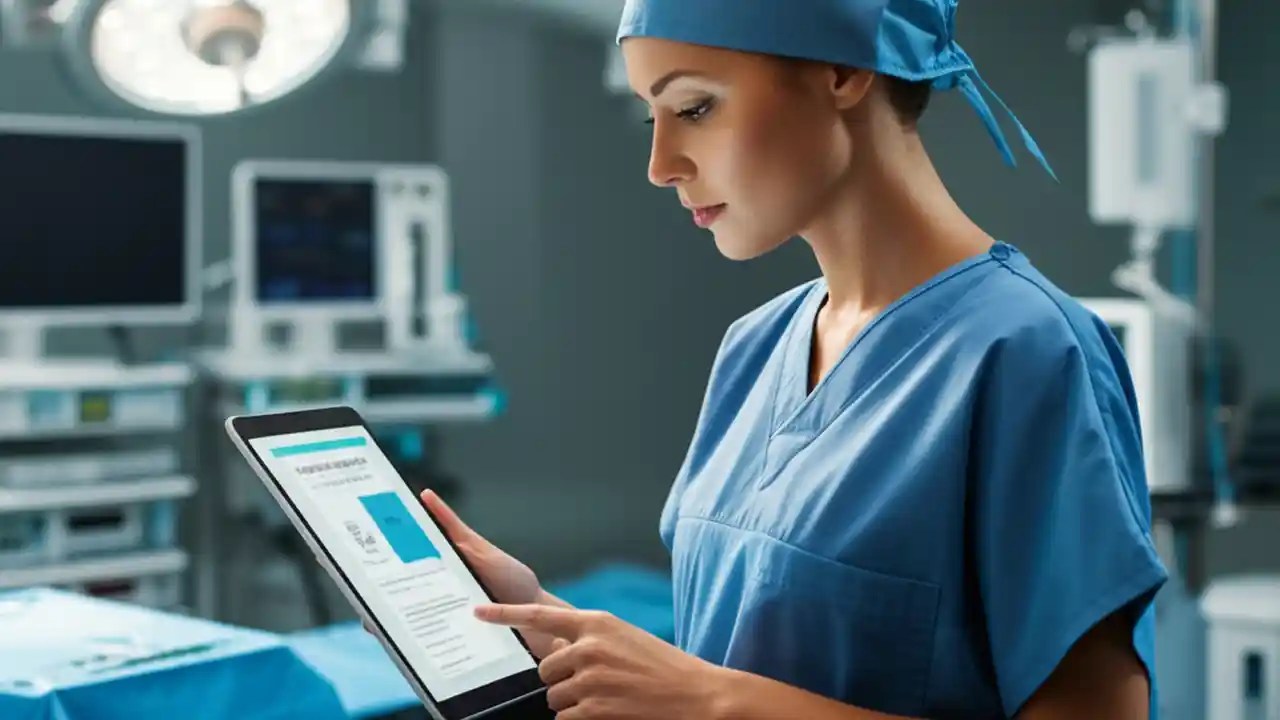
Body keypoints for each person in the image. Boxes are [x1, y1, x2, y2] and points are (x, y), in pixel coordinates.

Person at [425, 0, 1170, 718]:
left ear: (843, 69)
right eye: (652, 117)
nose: (660, 164)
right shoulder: (755, 347)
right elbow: (737, 663)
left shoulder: (1028, 354)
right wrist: (543, 621)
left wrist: (713, 705)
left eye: (694, 108)